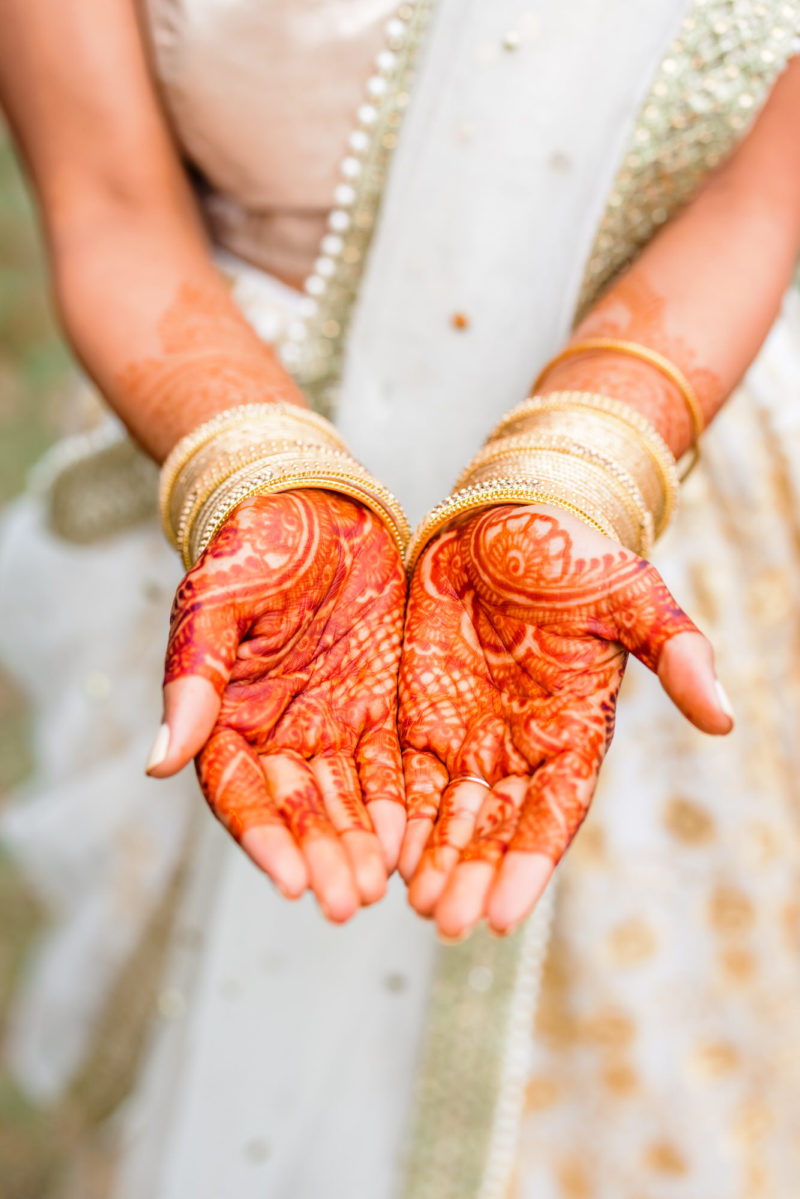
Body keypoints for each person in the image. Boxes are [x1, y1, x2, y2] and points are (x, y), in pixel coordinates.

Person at [1, 1, 799, 1195]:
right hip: (247, 522)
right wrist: (257, 477)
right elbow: (110, 205)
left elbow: (760, 199)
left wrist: (575, 470)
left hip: (668, 480)